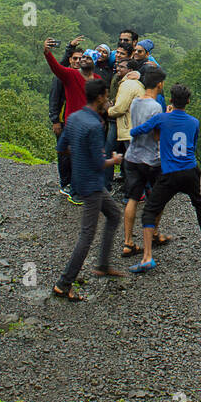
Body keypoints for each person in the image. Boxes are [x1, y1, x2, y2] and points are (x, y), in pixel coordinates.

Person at [127, 83, 201, 270]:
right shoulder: (194, 122)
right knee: (198, 204)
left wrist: (160, 123)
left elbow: (136, 131)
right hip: (190, 171)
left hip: (169, 173)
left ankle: (147, 257)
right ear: (188, 102)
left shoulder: (162, 118)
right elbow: (193, 143)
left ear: (170, 100)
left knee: (150, 211)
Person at [52, 79, 127, 300]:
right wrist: (114, 160)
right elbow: (98, 163)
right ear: (101, 97)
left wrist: (79, 154)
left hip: (80, 179)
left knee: (113, 215)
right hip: (92, 183)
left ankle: (103, 264)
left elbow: (61, 148)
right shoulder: (95, 125)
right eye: (106, 96)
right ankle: (64, 283)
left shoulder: (74, 117)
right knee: (87, 234)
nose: (108, 100)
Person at [120, 67, 165, 258]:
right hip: (150, 159)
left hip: (133, 155)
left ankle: (128, 242)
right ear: (159, 84)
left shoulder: (136, 102)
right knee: (158, 198)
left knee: (132, 198)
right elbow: (156, 135)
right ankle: (154, 233)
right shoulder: (156, 107)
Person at [45, 38, 90, 203]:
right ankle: (65, 183)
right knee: (65, 155)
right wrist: (55, 120)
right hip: (64, 121)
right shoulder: (62, 77)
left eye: (81, 59)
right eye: (75, 59)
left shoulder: (82, 76)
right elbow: (54, 99)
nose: (78, 61)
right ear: (70, 60)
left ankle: (75, 184)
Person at [105, 60, 142, 193]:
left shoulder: (128, 85)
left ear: (130, 70)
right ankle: (134, 190)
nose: (118, 69)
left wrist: (109, 109)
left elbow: (120, 108)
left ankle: (134, 193)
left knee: (131, 162)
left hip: (128, 127)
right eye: (117, 66)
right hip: (132, 126)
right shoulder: (132, 83)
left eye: (122, 67)